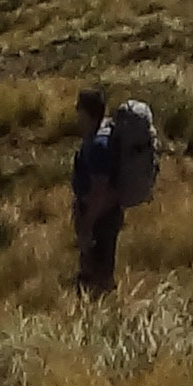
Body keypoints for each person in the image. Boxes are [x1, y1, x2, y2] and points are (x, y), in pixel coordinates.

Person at [71, 85, 124, 295]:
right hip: (102, 215)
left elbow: (99, 190)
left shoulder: (99, 146)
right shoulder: (101, 135)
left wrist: (86, 223)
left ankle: (105, 313)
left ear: (88, 113)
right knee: (93, 271)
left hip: (101, 217)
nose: (76, 112)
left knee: (97, 275)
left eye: (79, 108)